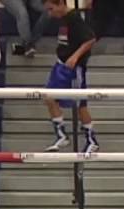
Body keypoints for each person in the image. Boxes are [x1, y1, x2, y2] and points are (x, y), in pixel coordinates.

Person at [43, 0, 100, 154]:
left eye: (51, 9)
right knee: (49, 97)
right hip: (60, 64)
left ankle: (91, 140)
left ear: (61, 4)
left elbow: (90, 39)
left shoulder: (74, 18)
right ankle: (61, 136)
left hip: (74, 68)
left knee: (80, 105)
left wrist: (75, 57)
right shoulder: (62, 19)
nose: (50, 13)